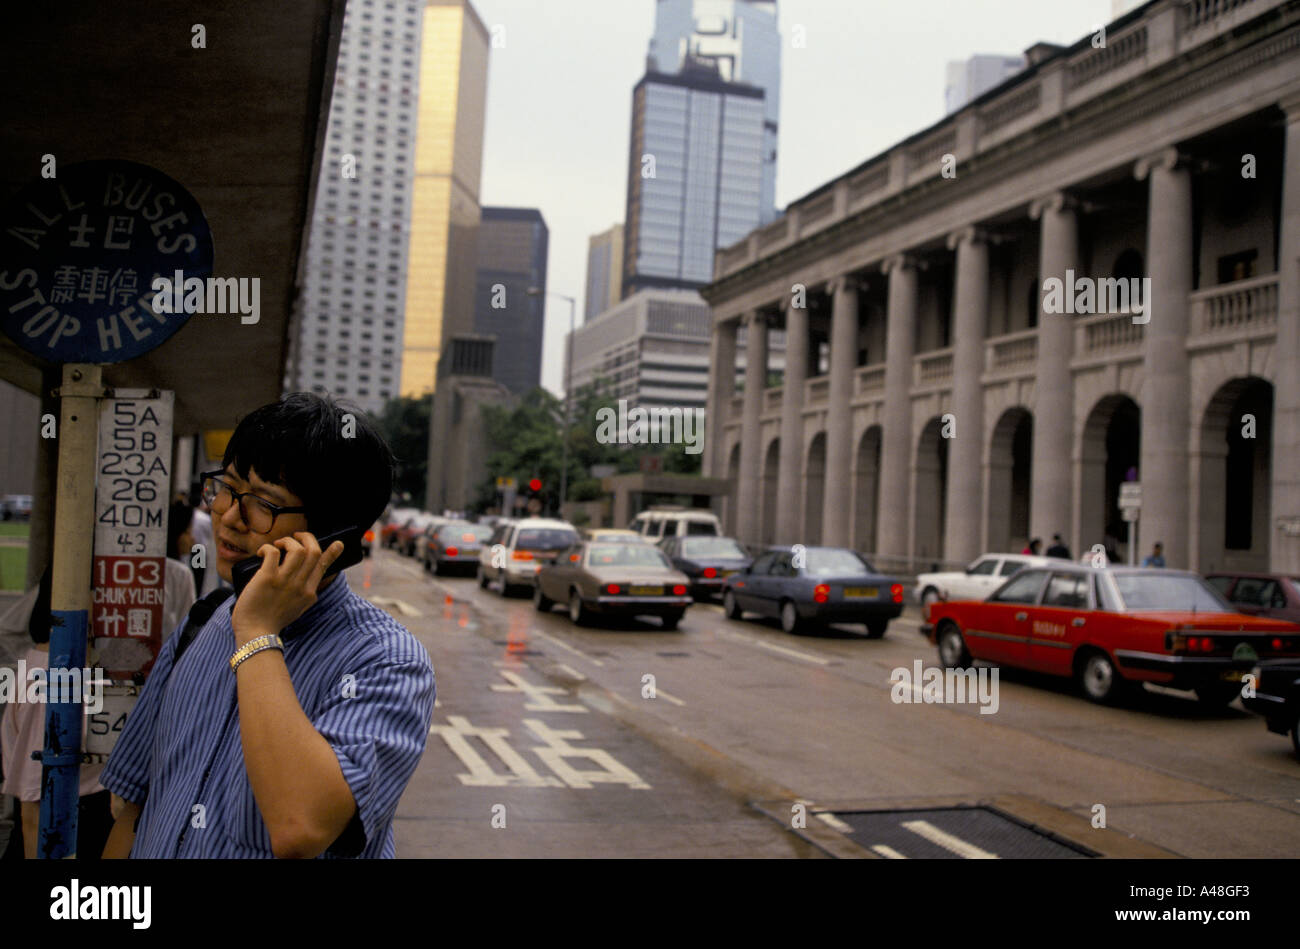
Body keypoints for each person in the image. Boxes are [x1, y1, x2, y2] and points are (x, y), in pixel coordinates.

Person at [100, 393, 434, 858]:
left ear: (331, 536)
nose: (229, 517)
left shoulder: (385, 662)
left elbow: (301, 825)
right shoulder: (205, 621)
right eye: (228, 487)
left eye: (263, 503)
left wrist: (258, 634)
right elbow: (133, 809)